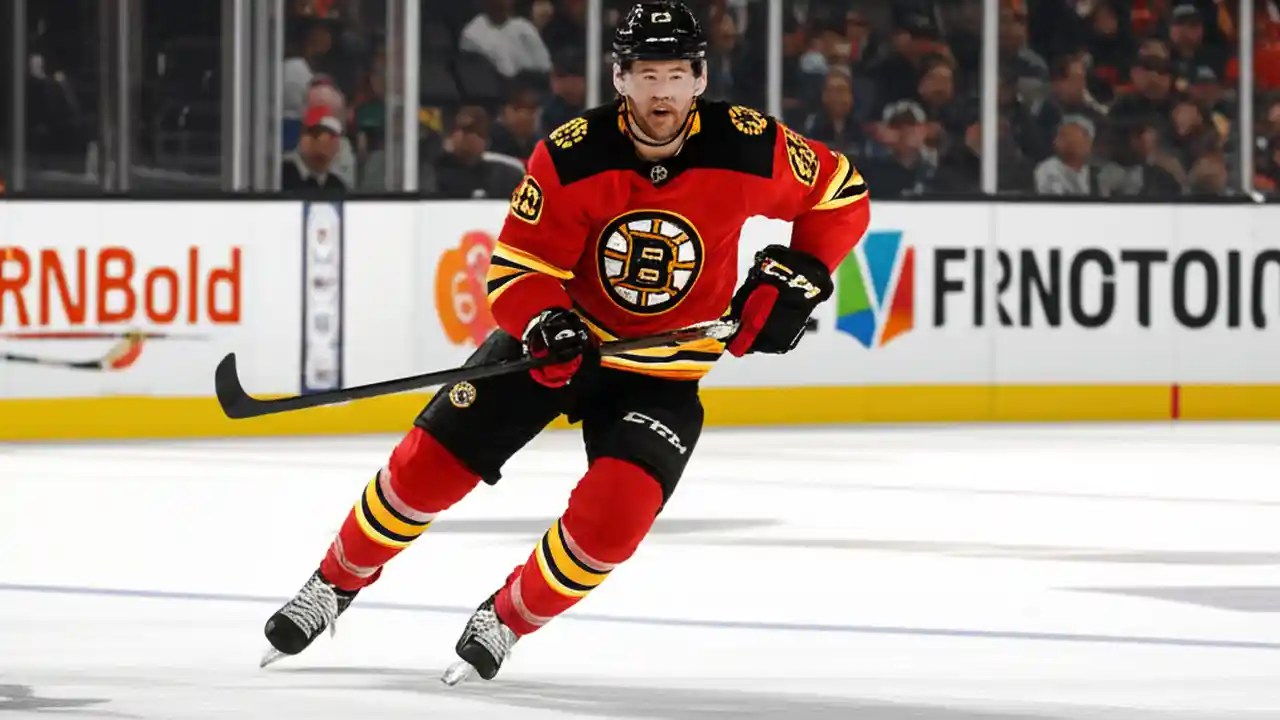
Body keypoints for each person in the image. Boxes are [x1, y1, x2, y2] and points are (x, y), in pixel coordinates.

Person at [260, 0, 871, 685]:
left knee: (615, 521)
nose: (661, 91)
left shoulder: (749, 144)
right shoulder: (572, 152)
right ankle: (336, 581)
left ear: (700, 78)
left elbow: (842, 194)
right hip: (561, 348)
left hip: (662, 373)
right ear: (620, 78)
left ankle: (508, 617)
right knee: (424, 469)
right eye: (646, 73)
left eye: (675, 74)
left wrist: (808, 269)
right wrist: (547, 322)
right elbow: (515, 273)